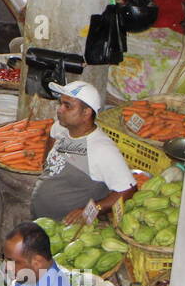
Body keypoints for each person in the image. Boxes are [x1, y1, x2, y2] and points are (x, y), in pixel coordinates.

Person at [30, 81, 137, 223]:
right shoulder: (62, 127)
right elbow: (51, 134)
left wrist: (92, 210)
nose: (60, 110)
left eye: (67, 106)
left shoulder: (102, 149)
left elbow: (128, 190)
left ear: (86, 113)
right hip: (40, 221)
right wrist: (46, 164)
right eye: (61, 103)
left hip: (65, 230)